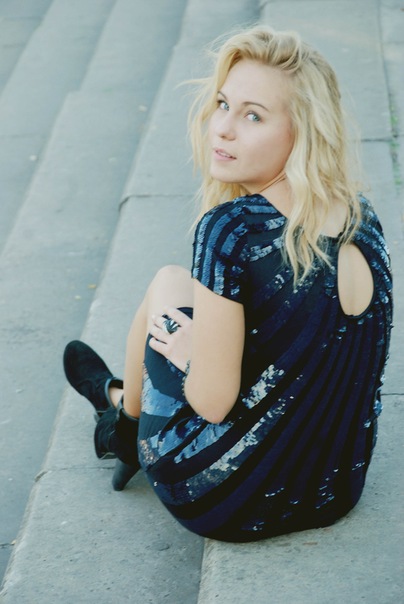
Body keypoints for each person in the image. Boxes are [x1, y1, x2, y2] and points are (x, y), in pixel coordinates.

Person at [63, 25, 393, 542]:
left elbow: (213, 403)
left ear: (302, 132)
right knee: (201, 298)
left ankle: (122, 424)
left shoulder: (232, 229)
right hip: (334, 490)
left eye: (253, 115)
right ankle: (121, 411)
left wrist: (190, 350)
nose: (222, 128)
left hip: (226, 501)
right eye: (223, 104)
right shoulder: (361, 216)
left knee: (168, 284)